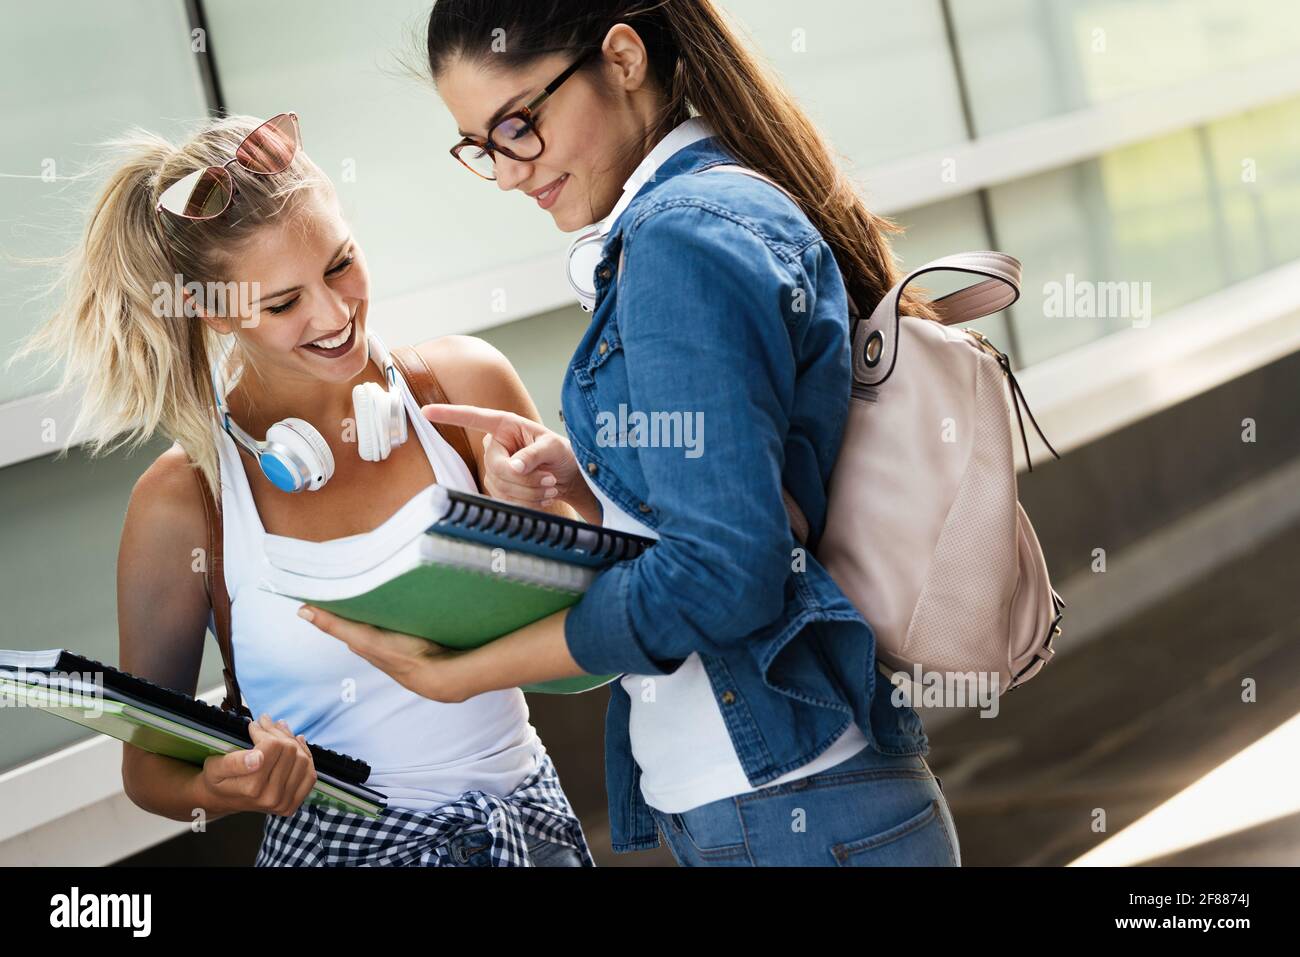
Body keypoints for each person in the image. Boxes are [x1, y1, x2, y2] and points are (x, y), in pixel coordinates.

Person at [301, 0, 962, 866]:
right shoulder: (718, 200)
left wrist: (464, 670)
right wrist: (592, 481)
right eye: (481, 146)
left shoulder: (678, 240)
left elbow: (729, 576)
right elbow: (752, 494)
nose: (506, 174)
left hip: (789, 810)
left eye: (518, 126)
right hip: (793, 800)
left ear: (620, 58)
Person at [14, 112, 592, 867]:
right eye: (283, 303)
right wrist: (232, 787)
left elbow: (603, 631)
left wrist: (547, 511)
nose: (333, 313)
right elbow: (150, 773)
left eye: (341, 262)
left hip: (528, 832)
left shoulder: (463, 390)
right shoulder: (184, 504)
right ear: (213, 311)